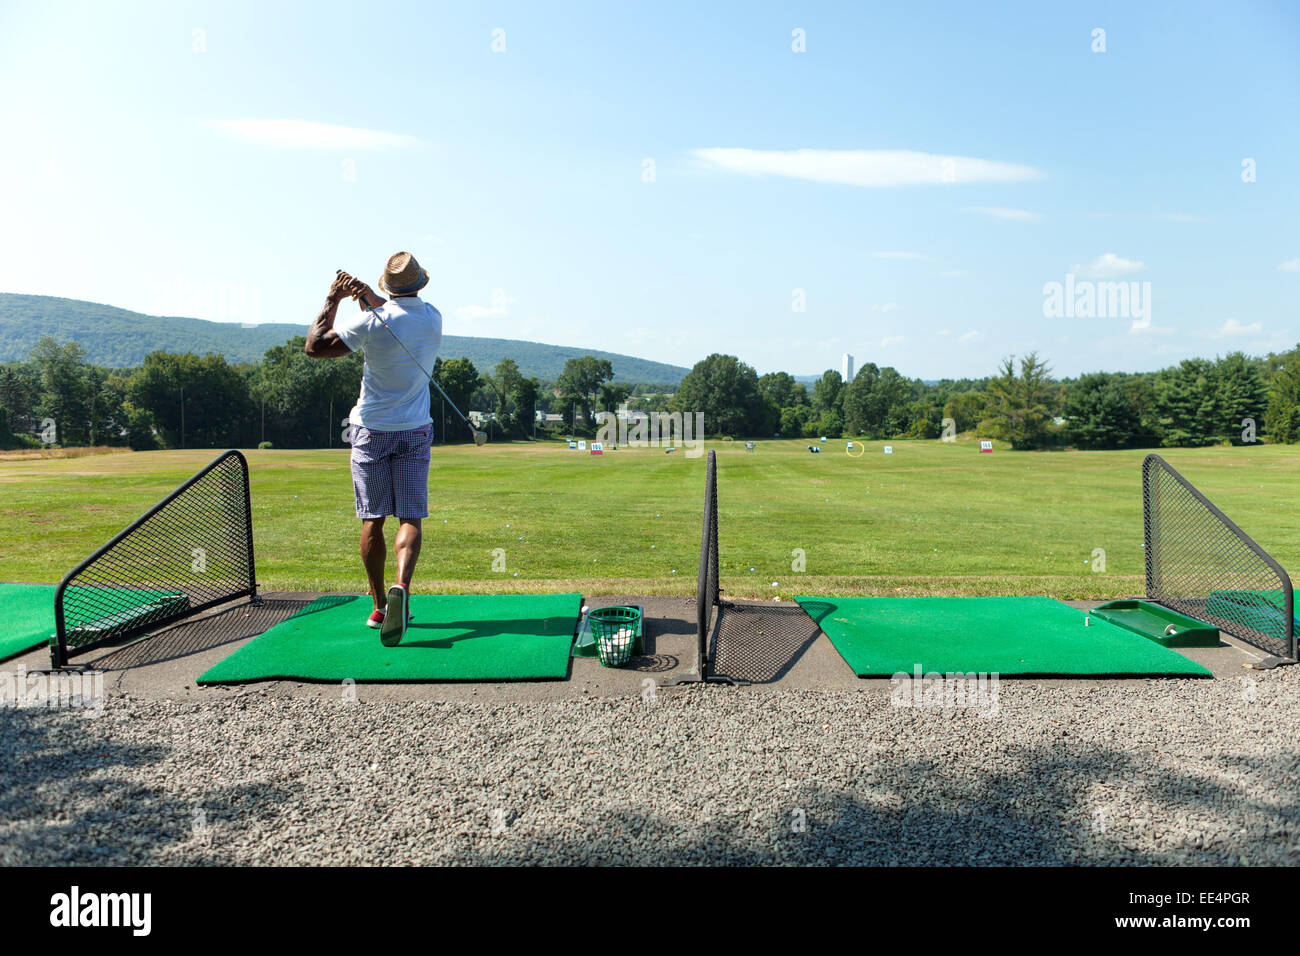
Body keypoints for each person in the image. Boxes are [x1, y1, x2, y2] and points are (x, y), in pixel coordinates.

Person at [304, 252, 442, 645]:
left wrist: (333, 297)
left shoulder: (368, 322)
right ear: (419, 284)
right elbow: (395, 315)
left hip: (370, 430)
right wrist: (365, 293)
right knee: (410, 518)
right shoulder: (433, 316)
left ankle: (380, 604)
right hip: (415, 430)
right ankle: (403, 585)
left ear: (387, 285)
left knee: (373, 519)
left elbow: (315, 347)